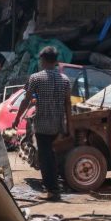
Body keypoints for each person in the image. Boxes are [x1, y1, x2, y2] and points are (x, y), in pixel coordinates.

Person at [14, 46, 71, 201]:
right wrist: (69, 127)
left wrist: (17, 117)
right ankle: (55, 187)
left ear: (43, 60)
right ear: (56, 61)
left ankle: (52, 191)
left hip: (42, 125)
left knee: (45, 158)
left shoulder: (36, 78)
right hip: (58, 126)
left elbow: (25, 100)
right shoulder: (65, 80)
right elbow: (68, 104)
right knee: (52, 156)